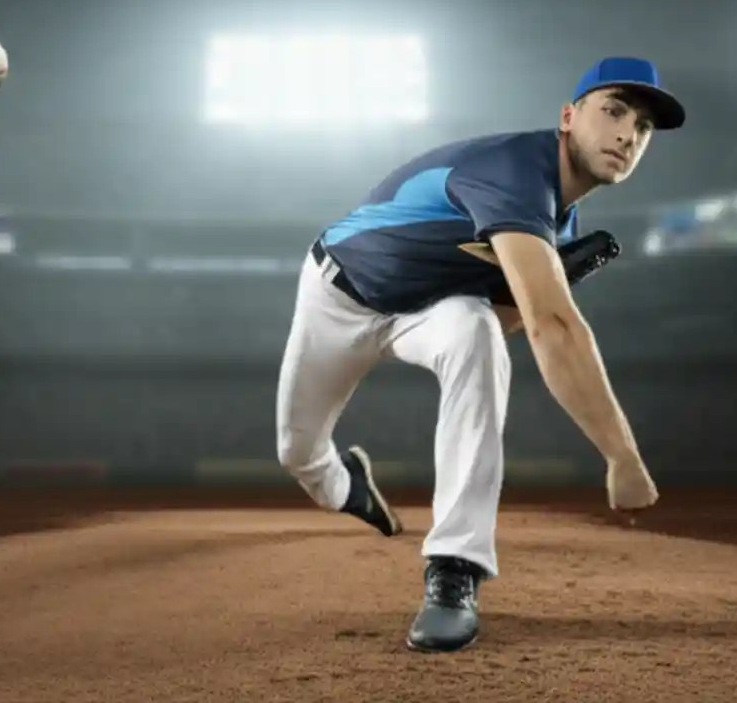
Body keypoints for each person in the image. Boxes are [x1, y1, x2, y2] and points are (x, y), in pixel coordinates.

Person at [275, 57, 684, 653]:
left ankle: (454, 568)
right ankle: (348, 488)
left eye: (643, 127)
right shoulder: (514, 171)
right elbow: (553, 328)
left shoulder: (556, 228)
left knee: (475, 334)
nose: (628, 134)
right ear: (568, 117)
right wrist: (621, 455)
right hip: (338, 296)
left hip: (430, 309)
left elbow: (505, 324)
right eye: (614, 110)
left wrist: (536, 295)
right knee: (297, 451)